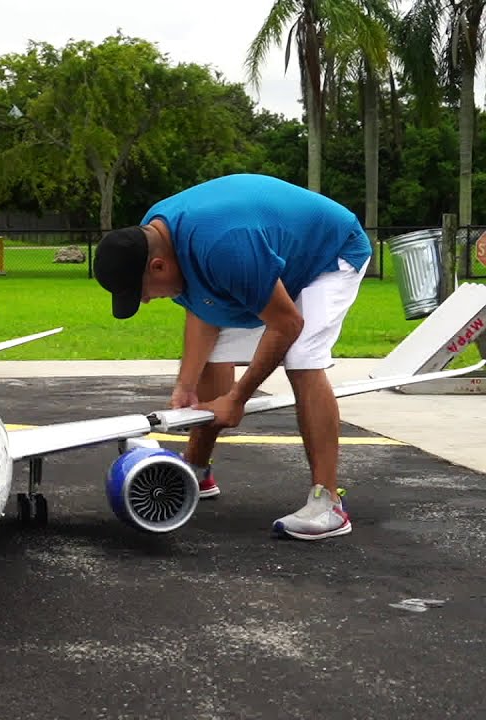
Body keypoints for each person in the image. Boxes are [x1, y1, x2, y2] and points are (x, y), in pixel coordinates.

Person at [93, 174, 372, 541]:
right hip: (272, 256)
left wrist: (237, 398)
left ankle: (328, 504)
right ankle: (196, 469)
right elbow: (203, 309)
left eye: (141, 292)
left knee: (303, 357)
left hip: (330, 253)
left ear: (158, 266)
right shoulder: (156, 231)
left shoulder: (225, 246)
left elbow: (287, 323)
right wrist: (186, 385)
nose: (145, 300)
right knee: (215, 354)